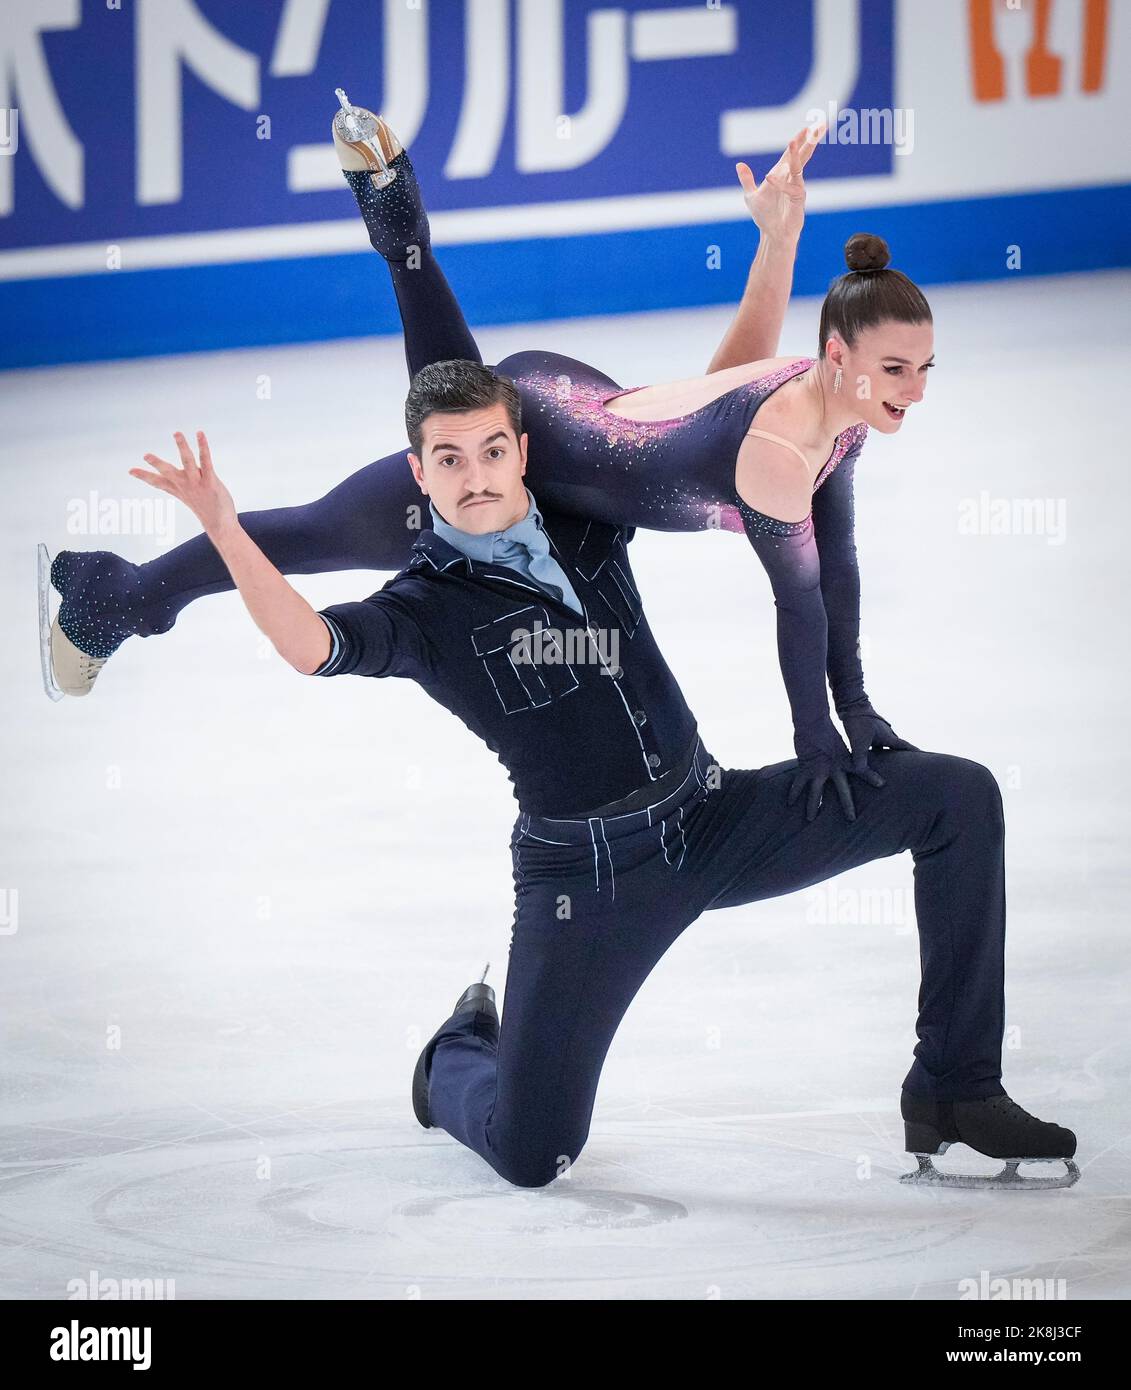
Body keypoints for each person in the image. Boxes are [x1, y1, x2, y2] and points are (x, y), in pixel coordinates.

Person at [125, 360, 1079, 1192]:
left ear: (523, 453)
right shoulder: (420, 606)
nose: (473, 476)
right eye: (447, 460)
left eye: (491, 450)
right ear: (419, 473)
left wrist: (771, 247)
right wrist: (226, 531)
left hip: (715, 817)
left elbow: (710, 428)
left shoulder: (583, 525)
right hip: (588, 882)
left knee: (957, 797)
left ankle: (954, 1086)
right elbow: (309, 644)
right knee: (533, 1152)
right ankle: (451, 1059)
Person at [42, 95, 919, 822]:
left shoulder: (817, 407)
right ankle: (398, 228)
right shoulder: (782, 447)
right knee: (365, 494)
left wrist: (774, 241)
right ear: (840, 355)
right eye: (895, 369)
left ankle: (394, 213)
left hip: (584, 425)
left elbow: (723, 422)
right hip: (548, 435)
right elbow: (799, 605)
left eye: (923, 370)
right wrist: (821, 735)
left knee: (327, 523)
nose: (912, 390)